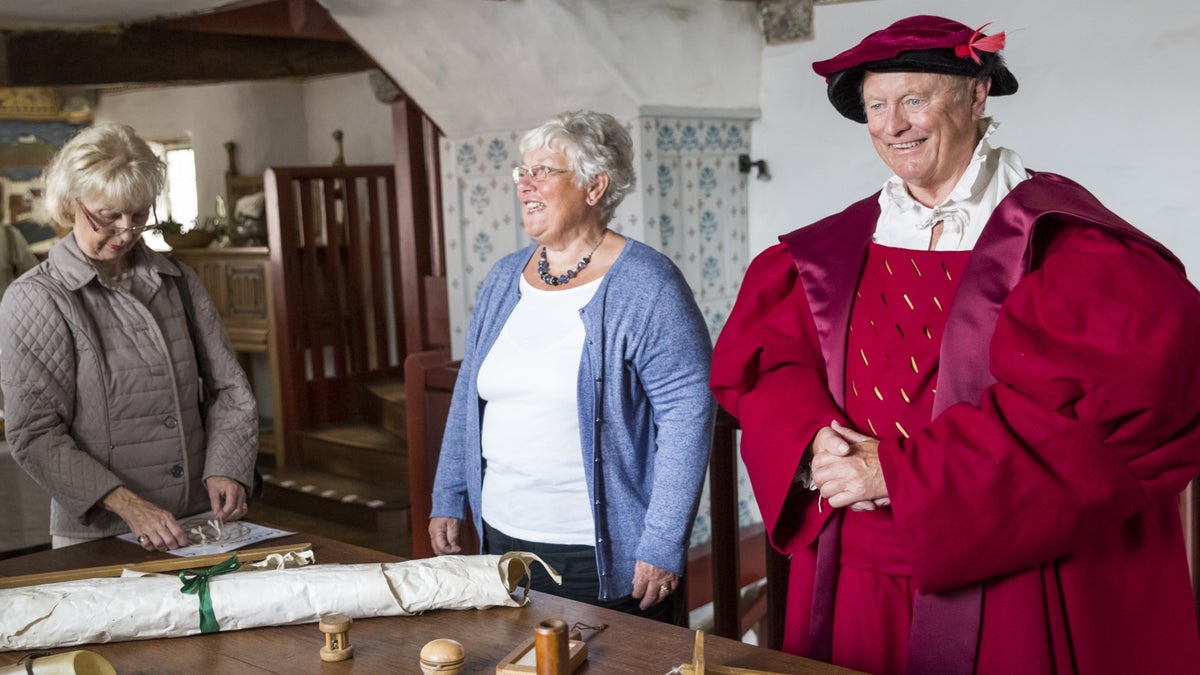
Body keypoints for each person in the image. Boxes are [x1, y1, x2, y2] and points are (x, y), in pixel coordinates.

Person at [711, 15, 1200, 675]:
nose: (892, 124)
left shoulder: (1062, 244)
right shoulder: (827, 253)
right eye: (877, 105)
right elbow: (769, 368)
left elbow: (1098, 427)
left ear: (977, 95)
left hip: (1005, 570)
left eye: (914, 100)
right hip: (855, 566)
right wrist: (808, 439)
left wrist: (904, 474)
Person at [429, 110, 714, 624]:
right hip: (500, 538)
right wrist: (448, 495)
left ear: (593, 185)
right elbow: (468, 396)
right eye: (522, 172)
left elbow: (688, 415)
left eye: (543, 171)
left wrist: (663, 540)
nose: (525, 185)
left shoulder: (647, 285)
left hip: (597, 556)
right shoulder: (502, 279)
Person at [0, 122, 258, 551]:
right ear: (70, 204)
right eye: (108, 216)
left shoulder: (178, 282)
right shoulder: (37, 299)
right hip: (101, 530)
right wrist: (129, 506)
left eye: (139, 215)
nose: (125, 231)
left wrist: (226, 466)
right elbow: (34, 433)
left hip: (195, 518)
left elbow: (230, 389)